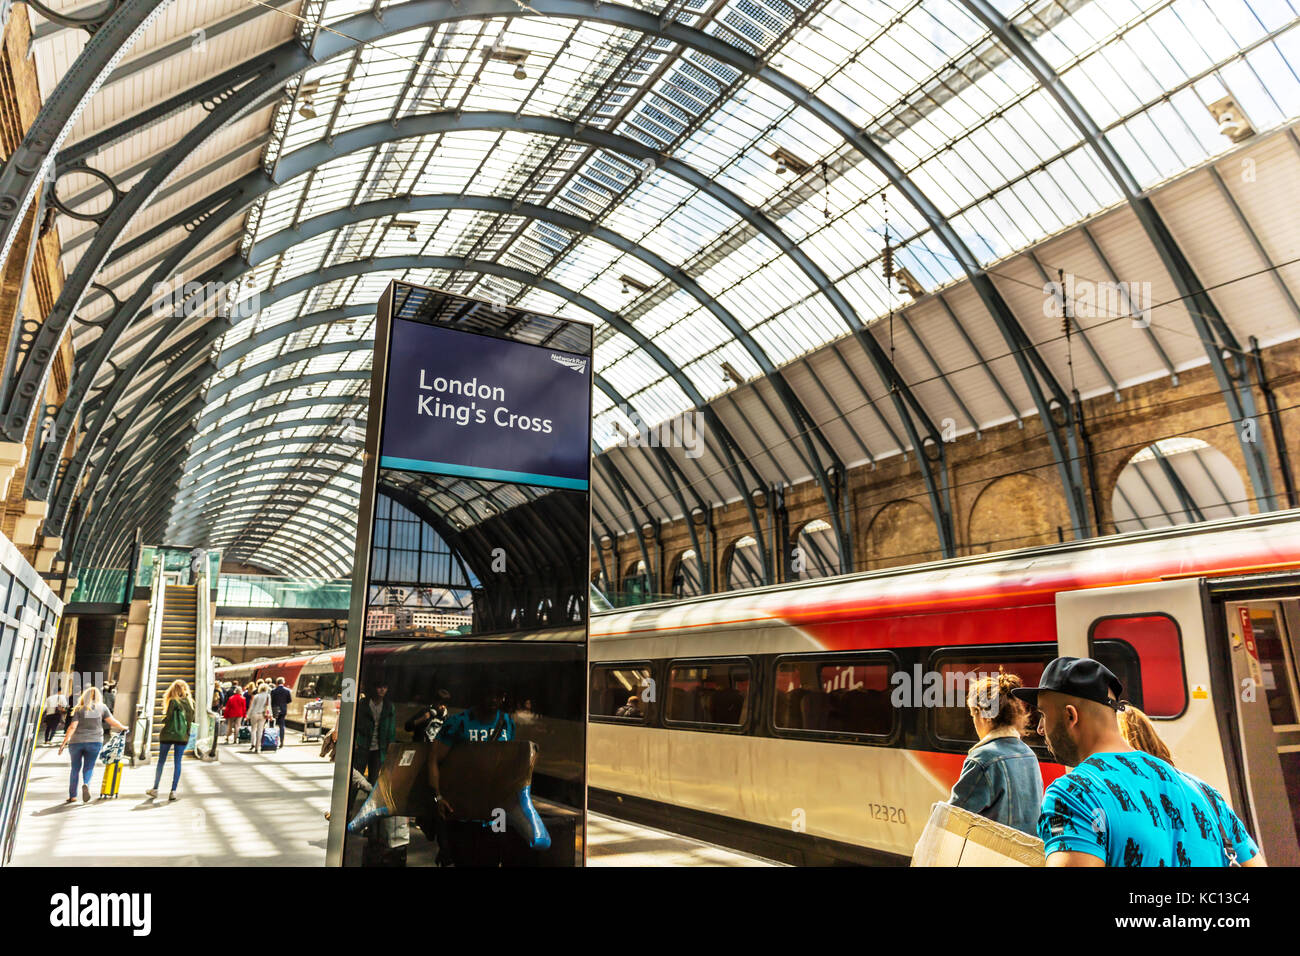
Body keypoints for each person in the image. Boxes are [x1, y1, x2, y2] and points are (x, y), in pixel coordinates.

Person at [1012, 657, 1262, 867]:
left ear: (1070, 715)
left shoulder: (1074, 794)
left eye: (1044, 715)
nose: (1041, 729)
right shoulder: (1208, 796)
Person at [428, 683, 518, 866]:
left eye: (498, 695)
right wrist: (438, 797)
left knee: (492, 860)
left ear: (503, 697)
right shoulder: (459, 722)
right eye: (488, 694)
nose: (493, 700)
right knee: (464, 859)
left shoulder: (508, 723)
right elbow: (434, 760)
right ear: (479, 695)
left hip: (495, 811)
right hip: (463, 812)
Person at [947, 672, 1043, 835]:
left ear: (983, 716)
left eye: (973, 715)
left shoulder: (983, 759)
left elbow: (953, 817)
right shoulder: (1029, 754)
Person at [59, 687, 126, 803]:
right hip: (94, 741)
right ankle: (86, 784)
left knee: (75, 768)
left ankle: (73, 796)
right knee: (88, 767)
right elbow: (112, 722)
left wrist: (64, 742)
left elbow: (72, 726)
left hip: (76, 742)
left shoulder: (79, 709)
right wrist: (123, 727)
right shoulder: (102, 708)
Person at [148, 680, 195, 801]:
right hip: (182, 736)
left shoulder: (173, 701)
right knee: (177, 762)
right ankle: (173, 791)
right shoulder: (190, 703)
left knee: (161, 761)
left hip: (168, 735)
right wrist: (187, 733)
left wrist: (164, 720)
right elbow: (190, 721)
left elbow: (168, 719)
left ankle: (155, 789)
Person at [352, 680, 396, 783]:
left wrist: (391, 748)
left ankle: (371, 799)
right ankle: (351, 798)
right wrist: (355, 741)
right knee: (357, 777)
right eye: (379, 687)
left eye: (384, 687)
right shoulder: (363, 704)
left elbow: (391, 729)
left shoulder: (389, 706)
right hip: (363, 745)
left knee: (374, 778)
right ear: (374, 688)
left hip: (378, 748)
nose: (382, 690)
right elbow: (355, 723)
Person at [248, 682, 272, 753]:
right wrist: (270, 715)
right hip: (263, 715)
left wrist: (248, 715)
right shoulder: (268, 696)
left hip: (254, 714)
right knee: (260, 731)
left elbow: (252, 707)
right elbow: (269, 706)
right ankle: (257, 747)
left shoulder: (256, 696)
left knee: (253, 729)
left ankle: (252, 744)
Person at [270, 677, 293, 750]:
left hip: (275, 709)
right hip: (283, 709)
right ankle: (282, 742)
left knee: (272, 725)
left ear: (276, 683)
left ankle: (272, 740)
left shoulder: (273, 691)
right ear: (283, 682)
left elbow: (271, 700)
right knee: (282, 725)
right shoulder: (287, 690)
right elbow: (289, 700)